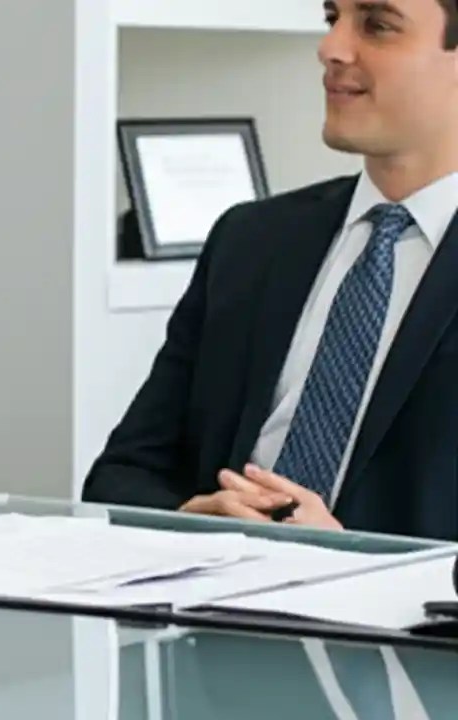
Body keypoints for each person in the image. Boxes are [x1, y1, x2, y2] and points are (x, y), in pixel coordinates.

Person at [83, 0, 458, 542]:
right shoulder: (251, 240)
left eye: (377, 26)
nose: (330, 48)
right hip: (216, 585)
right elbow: (120, 476)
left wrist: (353, 558)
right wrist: (190, 519)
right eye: (332, 19)